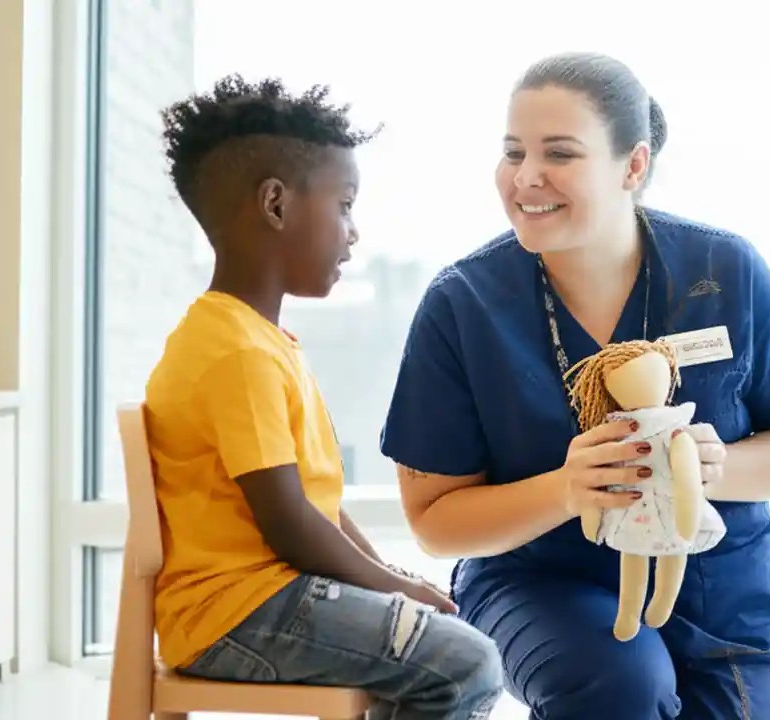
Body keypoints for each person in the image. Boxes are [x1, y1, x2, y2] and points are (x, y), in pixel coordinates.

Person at [380, 52, 770, 719]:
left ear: (633, 165)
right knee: (620, 684)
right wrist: (567, 490)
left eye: (559, 153)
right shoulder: (464, 303)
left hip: (718, 582)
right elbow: (434, 519)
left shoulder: (723, 269)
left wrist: (713, 469)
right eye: (513, 153)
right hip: (539, 579)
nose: (526, 177)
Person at [143, 75, 502, 720]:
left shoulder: (256, 339)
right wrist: (392, 588)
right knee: (465, 663)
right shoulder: (238, 353)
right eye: (345, 204)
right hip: (239, 614)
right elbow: (290, 526)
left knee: (445, 642)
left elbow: (316, 509)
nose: (353, 232)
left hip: (263, 602)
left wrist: (391, 579)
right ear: (276, 205)